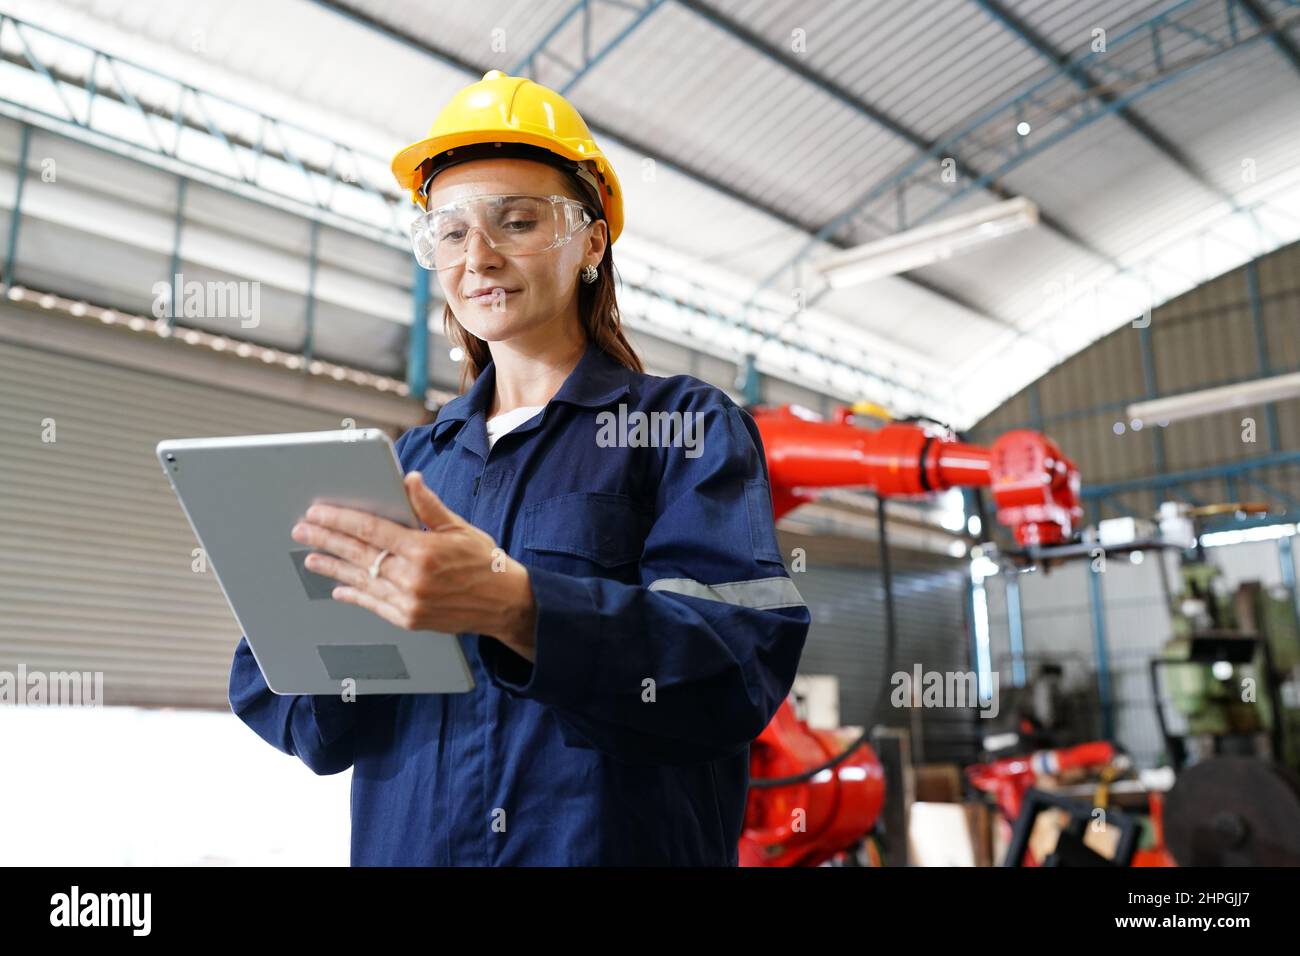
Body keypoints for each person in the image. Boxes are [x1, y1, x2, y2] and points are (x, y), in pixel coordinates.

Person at [228, 70, 810, 866]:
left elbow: (735, 666)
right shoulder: (409, 465)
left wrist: (520, 607)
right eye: (453, 231)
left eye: (518, 221)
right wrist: (320, 628)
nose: (481, 256)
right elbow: (297, 717)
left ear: (592, 243)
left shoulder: (685, 430)